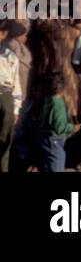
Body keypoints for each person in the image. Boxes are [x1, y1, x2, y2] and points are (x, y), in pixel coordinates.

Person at [0, 19, 25, 172]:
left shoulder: (10, 56)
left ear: (3, 34)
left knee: (4, 141)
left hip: (6, 98)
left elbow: (16, 85)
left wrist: (15, 109)